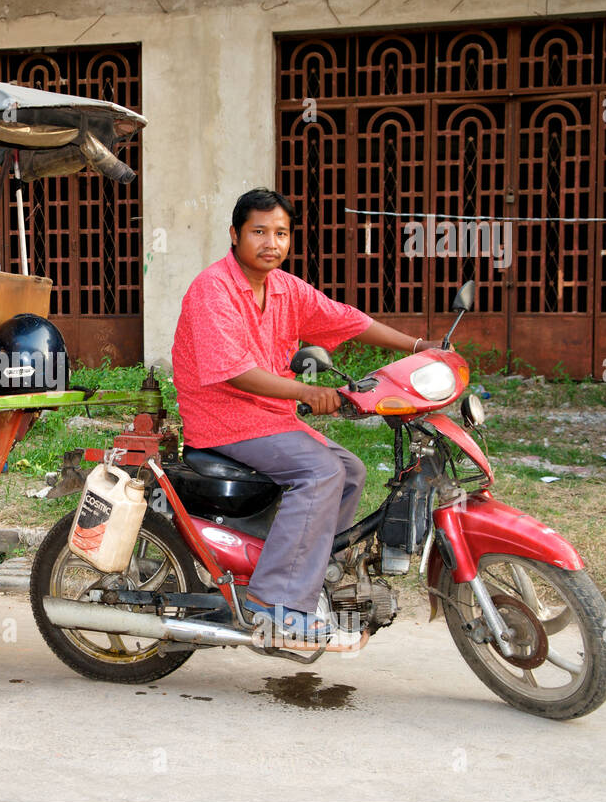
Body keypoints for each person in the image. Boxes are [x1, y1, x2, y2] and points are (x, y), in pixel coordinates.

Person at [171, 187, 442, 640]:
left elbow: (346, 319)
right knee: (320, 472)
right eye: (259, 231)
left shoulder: (284, 288)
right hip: (224, 420)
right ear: (235, 235)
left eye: (281, 233)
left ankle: (305, 570)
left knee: (351, 470)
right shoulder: (212, 288)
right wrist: (306, 391)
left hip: (271, 419)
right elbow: (236, 373)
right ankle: (275, 599)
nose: (270, 243)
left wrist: (418, 348)